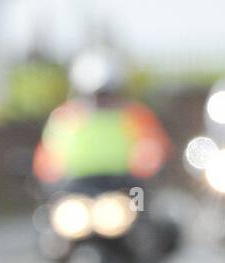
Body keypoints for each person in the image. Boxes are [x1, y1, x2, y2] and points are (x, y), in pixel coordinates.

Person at [32, 48, 171, 186]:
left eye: (106, 94)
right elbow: (46, 161)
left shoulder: (136, 115)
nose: (100, 101)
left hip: (125, 187)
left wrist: (146, 163)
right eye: (95, 95)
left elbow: (155, 150)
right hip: (74, 189)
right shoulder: (66, 117)